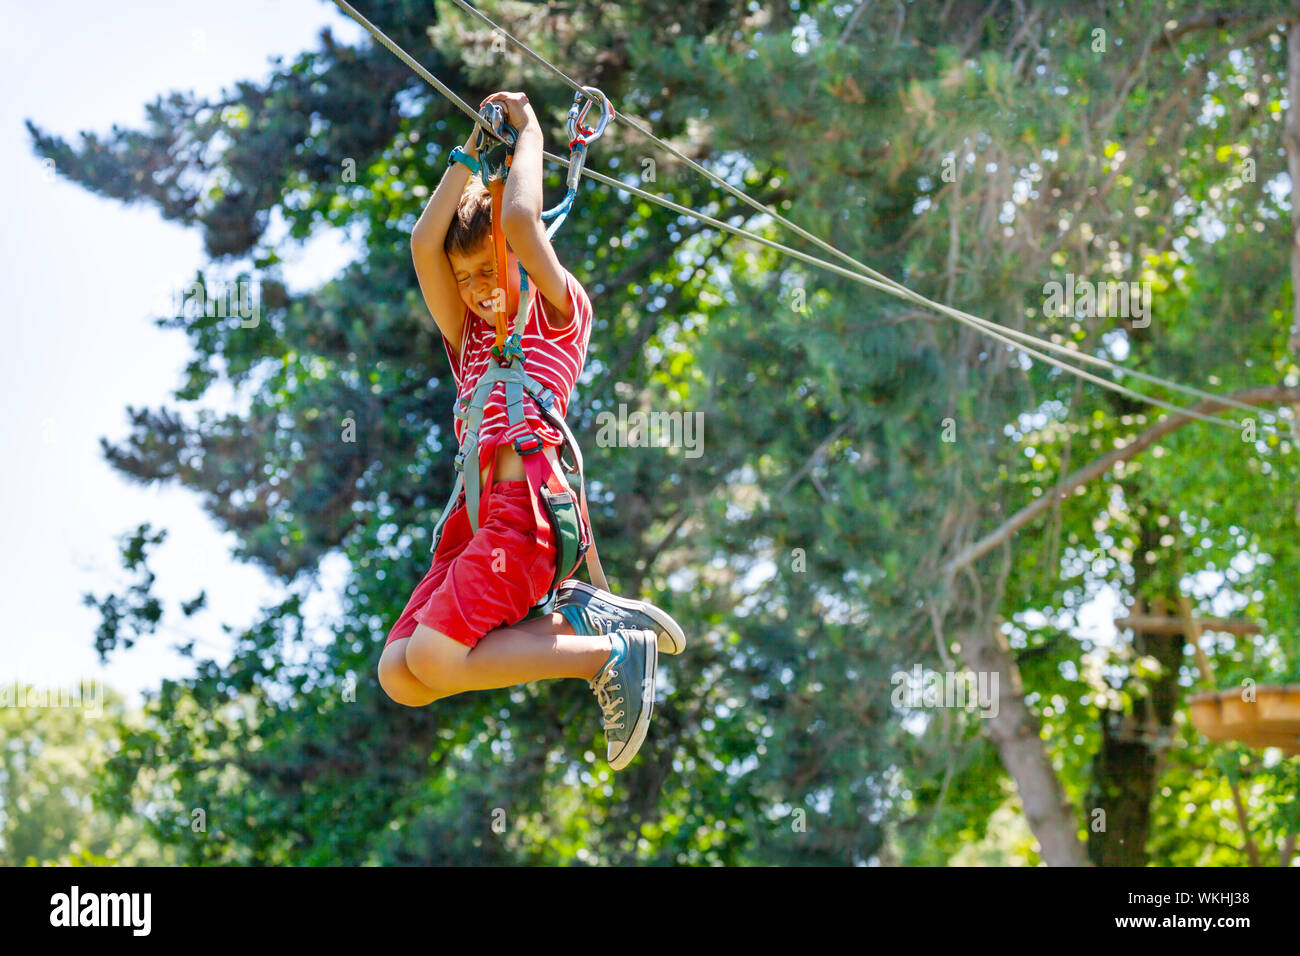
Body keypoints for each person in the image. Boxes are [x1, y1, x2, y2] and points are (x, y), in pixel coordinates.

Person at [377, 90, 686, 771]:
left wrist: (529, 132)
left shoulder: (556, 311)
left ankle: (607, 652)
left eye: (489, 270)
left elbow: (517, 217)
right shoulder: (466, 343)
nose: (479, 289)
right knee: (400, 673)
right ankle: (584, 623)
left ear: (525, 259)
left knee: (435, 653)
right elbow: (423, 242)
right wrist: (468, 149)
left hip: (528, 515)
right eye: (466, 280)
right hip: (470, 528)